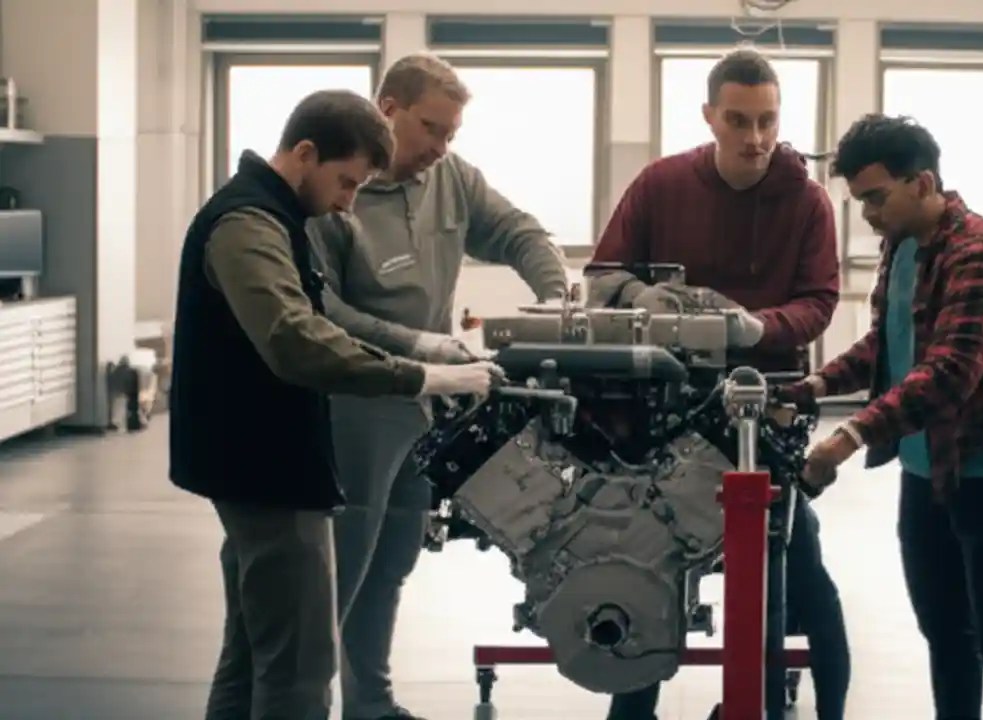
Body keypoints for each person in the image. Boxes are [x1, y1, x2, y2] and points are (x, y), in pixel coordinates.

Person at [169, 89, 502, 720]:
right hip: (266, 471)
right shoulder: (248, 225)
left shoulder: (275, 220)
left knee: (251, 655)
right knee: (299, 668)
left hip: (259, 464)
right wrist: (423, 377)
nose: (348, 203)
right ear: (304, 153)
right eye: (346, 183)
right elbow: (297, 340)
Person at [588, 48, 849, 720]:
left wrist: (751, 329)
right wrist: (651, 302)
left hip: (765, 417)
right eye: (738, 120)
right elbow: (602, 277)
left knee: (791, 571)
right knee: (650, 564)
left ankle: (771, 704)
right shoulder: (659, 184)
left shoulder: (808, 201)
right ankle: (632, 708)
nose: (756, 138)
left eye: (767, 120)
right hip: (663, 415)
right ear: (709, 116)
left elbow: (821, 300)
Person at [306, 52, 568, 720]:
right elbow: (324, 309)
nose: (440, 147)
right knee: (342, 569)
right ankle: (301, 705)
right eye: (432, 129)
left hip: (425, 408)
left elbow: (519, 231)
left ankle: (370, 704)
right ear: (387, 111)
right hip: (357, 404)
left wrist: (557, 300)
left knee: (393, 563)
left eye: (452, 134)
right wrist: (421, 345)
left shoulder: (449, 177)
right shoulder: (336, 193)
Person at [790, 113, 983, 720]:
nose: (869, 214)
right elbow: (887, 347)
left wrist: (849, 435)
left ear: (925, 182)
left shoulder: (981, 253)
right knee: (946, 633)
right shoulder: (903, 247)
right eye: (860, 200)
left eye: (877, 197)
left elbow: (949, 372)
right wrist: (811, 388)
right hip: (927, 473)